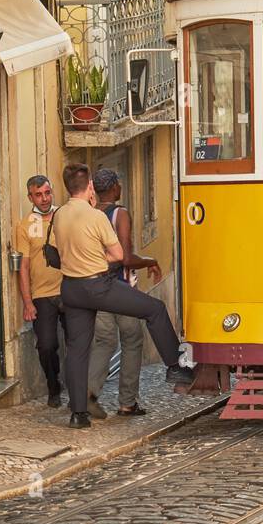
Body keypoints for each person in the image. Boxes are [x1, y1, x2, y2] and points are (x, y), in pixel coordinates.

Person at [53, 162, 194, 429]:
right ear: (90, 187)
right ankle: (176, 367)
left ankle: (78, 415)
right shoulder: (95, 216)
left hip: (71, 288)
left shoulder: (59, 214)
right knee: (154, 309)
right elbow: (119, 256)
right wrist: (96, 258)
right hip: (98, 285)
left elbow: (53, 253)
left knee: (78, 350)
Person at [86, 169, 162, 419]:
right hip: (121, 288)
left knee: (103, 342)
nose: (121, 187)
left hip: (97, 288)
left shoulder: (90, 214)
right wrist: (150, 260)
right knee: (132, 341)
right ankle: (127, 403)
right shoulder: (120, 214)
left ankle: (89, 394)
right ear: (114, 188)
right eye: (119, 183)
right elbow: (126, 257)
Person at [13, 174, 66, 408]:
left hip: (69, 289)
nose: (44, 198)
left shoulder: (64, 216)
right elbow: (22, 266)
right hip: (41, 296)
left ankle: (78, 387)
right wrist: (27, 302)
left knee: (78, 341)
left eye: (47, 193)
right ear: (30, 197)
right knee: (46, 345)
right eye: (38, 194)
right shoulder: (24, 226)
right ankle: (53, 385)